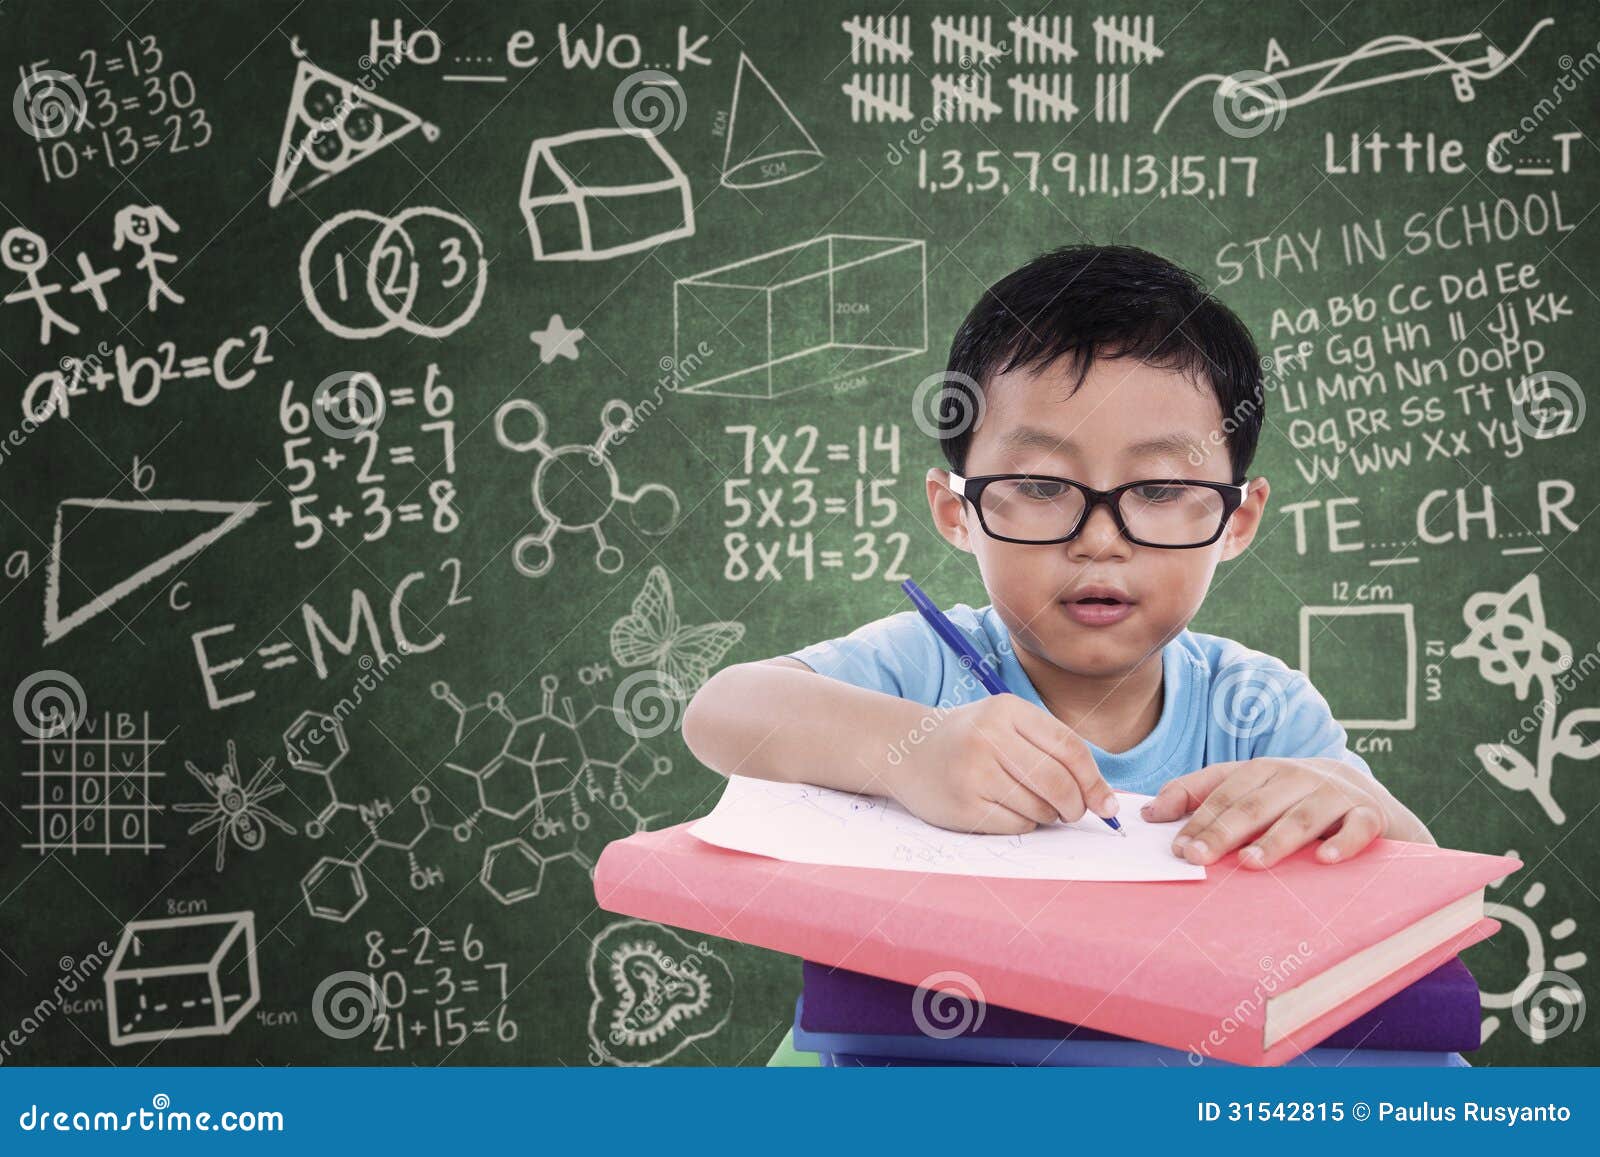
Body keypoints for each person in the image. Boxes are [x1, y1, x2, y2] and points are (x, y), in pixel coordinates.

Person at [683, 244, 1433, 870]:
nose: (1100, 540)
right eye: (1041, 485)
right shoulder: (927, 670)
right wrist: (911, 752)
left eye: (1160, 488)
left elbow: (1417, 872)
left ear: (1236, 520)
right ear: (957, 511)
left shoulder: (1258, 711)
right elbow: (721, 710)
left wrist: (1359, 803)